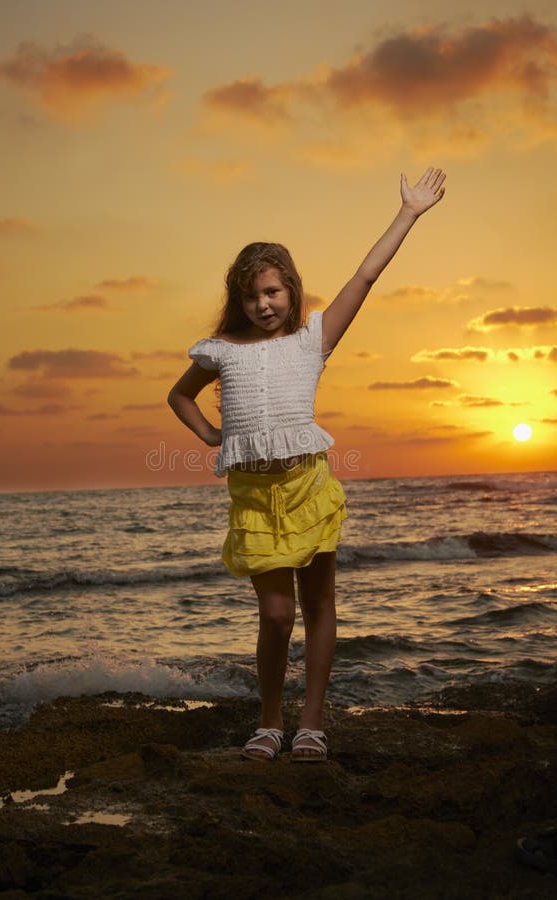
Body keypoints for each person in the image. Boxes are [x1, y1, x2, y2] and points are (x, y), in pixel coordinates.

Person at [168, 167, 446, 761]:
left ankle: (312, 722)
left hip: (307, 488)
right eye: (252, 295)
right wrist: (212, 435)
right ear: (238, 299)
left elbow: (364, 276)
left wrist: (408, 212)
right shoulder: (221, 350)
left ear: (292, 289)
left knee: (319, 606)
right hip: (254, 498)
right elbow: (179, 396)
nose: (263, 304)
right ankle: (271, 720)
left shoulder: (312, 339)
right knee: (275, 614)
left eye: (273, 291)